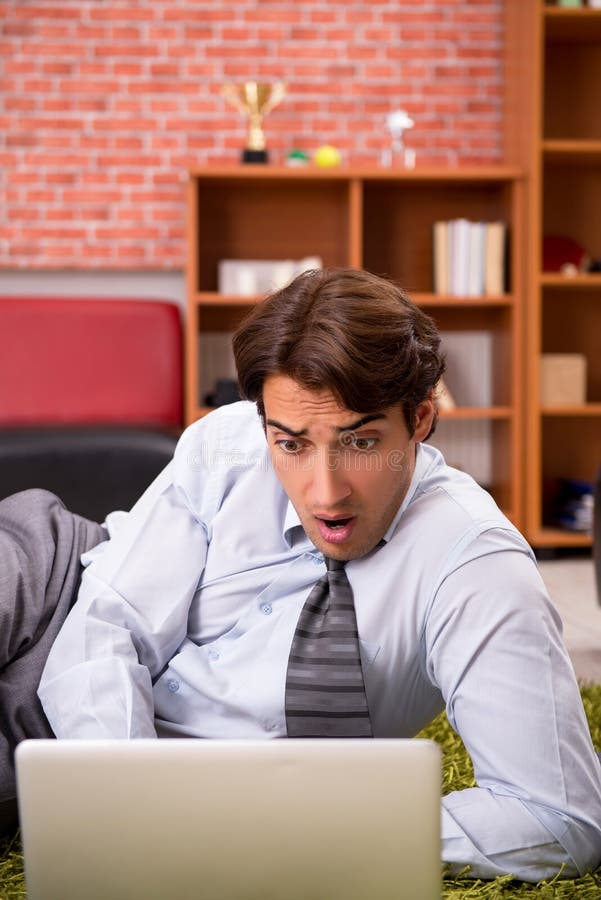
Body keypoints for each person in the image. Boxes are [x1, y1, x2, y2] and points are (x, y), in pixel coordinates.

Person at [1, 268, 600, 880]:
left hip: (45, 739)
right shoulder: (228, 446)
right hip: (59, 583)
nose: (324, 493)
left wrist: (300, 834)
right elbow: (107, 622)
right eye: (290, 444)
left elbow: (557, 817)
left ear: (420, 419)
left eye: (361, 443)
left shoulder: (476, 567)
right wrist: (132, 801)